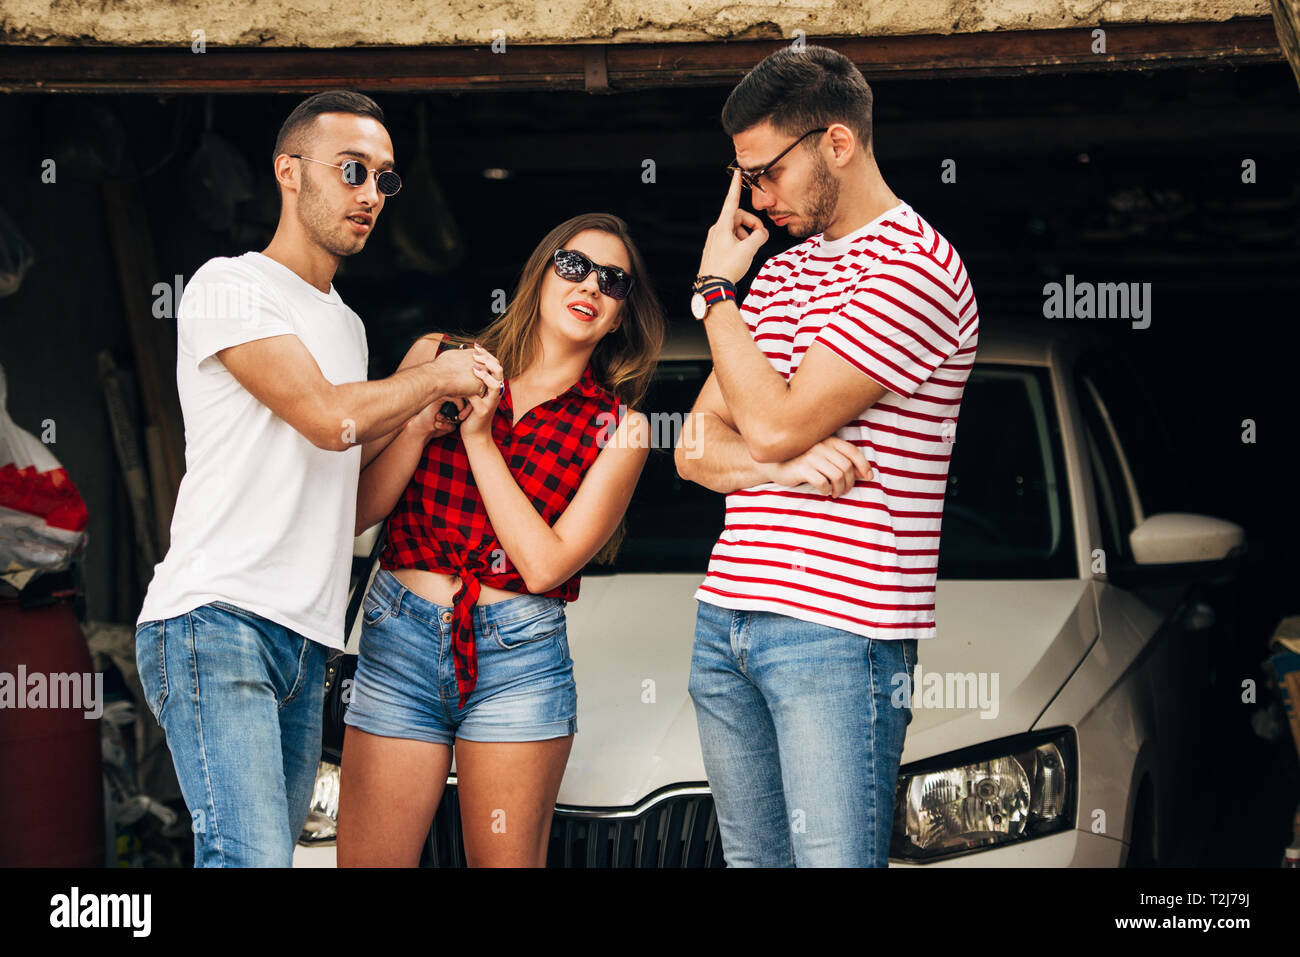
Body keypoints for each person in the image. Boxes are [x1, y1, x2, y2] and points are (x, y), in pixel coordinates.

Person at [134, 90, 486, 867]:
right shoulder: (230, 286)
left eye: (385, 181)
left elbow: (346, 501)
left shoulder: (346, 324)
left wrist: (418, 423)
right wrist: (428, 380)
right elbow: (327, 416)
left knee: (271, 860)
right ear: (288, 172)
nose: (370, 196)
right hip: (218, 618)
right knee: (247, 858)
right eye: (352, 171)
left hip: (307, 640)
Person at [675, 45, 980, 866]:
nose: (755, 198)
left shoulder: (916, 266)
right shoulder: (775, 277)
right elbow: (694, 447)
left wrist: (713, 290)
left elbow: (771, 423)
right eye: (742, 179)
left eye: (766, 173)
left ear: (837, 143)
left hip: (839, 631)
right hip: (726, 616)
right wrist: (777, 469)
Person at [338, 213, 665, 867]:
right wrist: (419, 422)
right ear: (539, 276)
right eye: (574, 266)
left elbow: (544, 565)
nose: (591, 286)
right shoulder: (437, 356)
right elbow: (349, 513)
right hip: (397, 640)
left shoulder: (623, 430)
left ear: (623, 315)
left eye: (614, 280)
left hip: (518, 663)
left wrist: (479, 439)